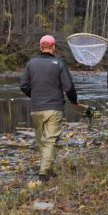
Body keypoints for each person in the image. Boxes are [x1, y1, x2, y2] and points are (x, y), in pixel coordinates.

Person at [20, 34, 78, 182]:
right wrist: (74, 101)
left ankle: (47, 170)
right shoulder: (59, 63)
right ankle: (44, 174)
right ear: (53, 47)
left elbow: (24, 86)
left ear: (41, 47)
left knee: (42, 141)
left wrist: (34, 96)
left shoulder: (31, 64)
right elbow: (69, 87)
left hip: (36, 108)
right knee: (50, 141)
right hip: (54, 108)